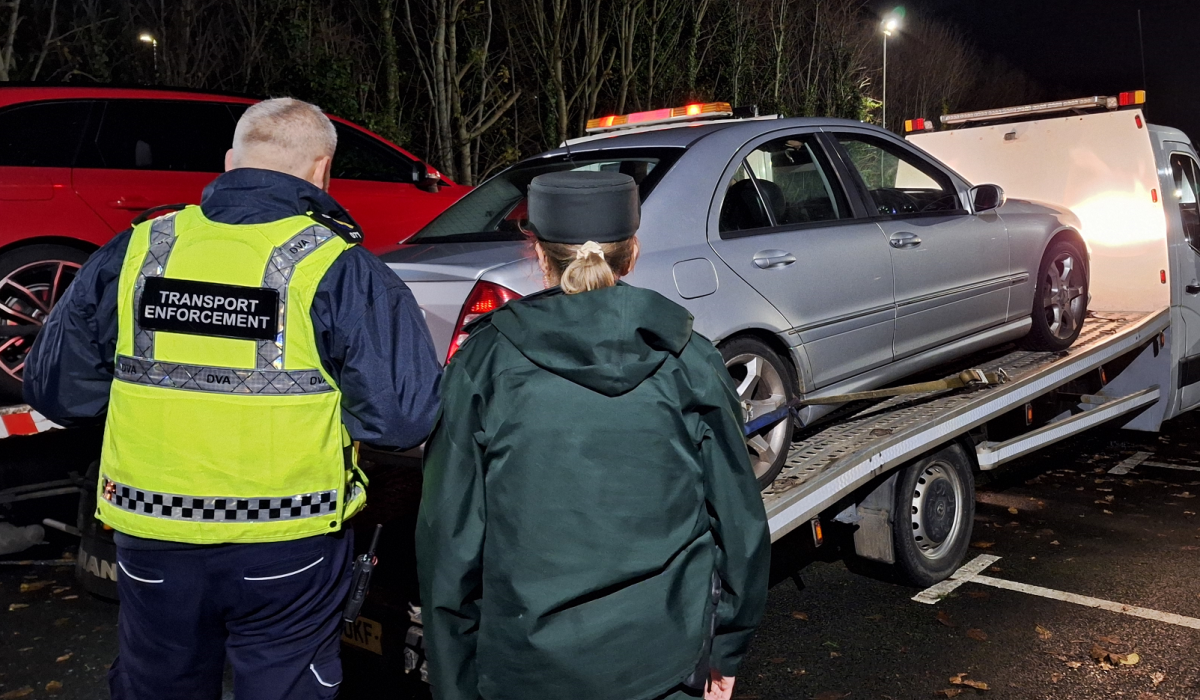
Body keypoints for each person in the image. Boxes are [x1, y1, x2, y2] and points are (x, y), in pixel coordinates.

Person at [24, 97, 442, 700]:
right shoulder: (340, 266)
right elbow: (401, 420)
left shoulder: (138, 249)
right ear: (323, 169)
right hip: (288, 540)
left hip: (150, 530)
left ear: (229, 162)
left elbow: (56, 391)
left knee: (157, 685)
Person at [417, 170, 770, 700]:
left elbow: (449, 541)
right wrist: (727, 645)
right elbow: (740, 522)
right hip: (664, 662)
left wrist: (453, 678)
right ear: (632, 252)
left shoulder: (484, 365)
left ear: (537, 252)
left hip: (527, 670)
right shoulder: (689, 360)